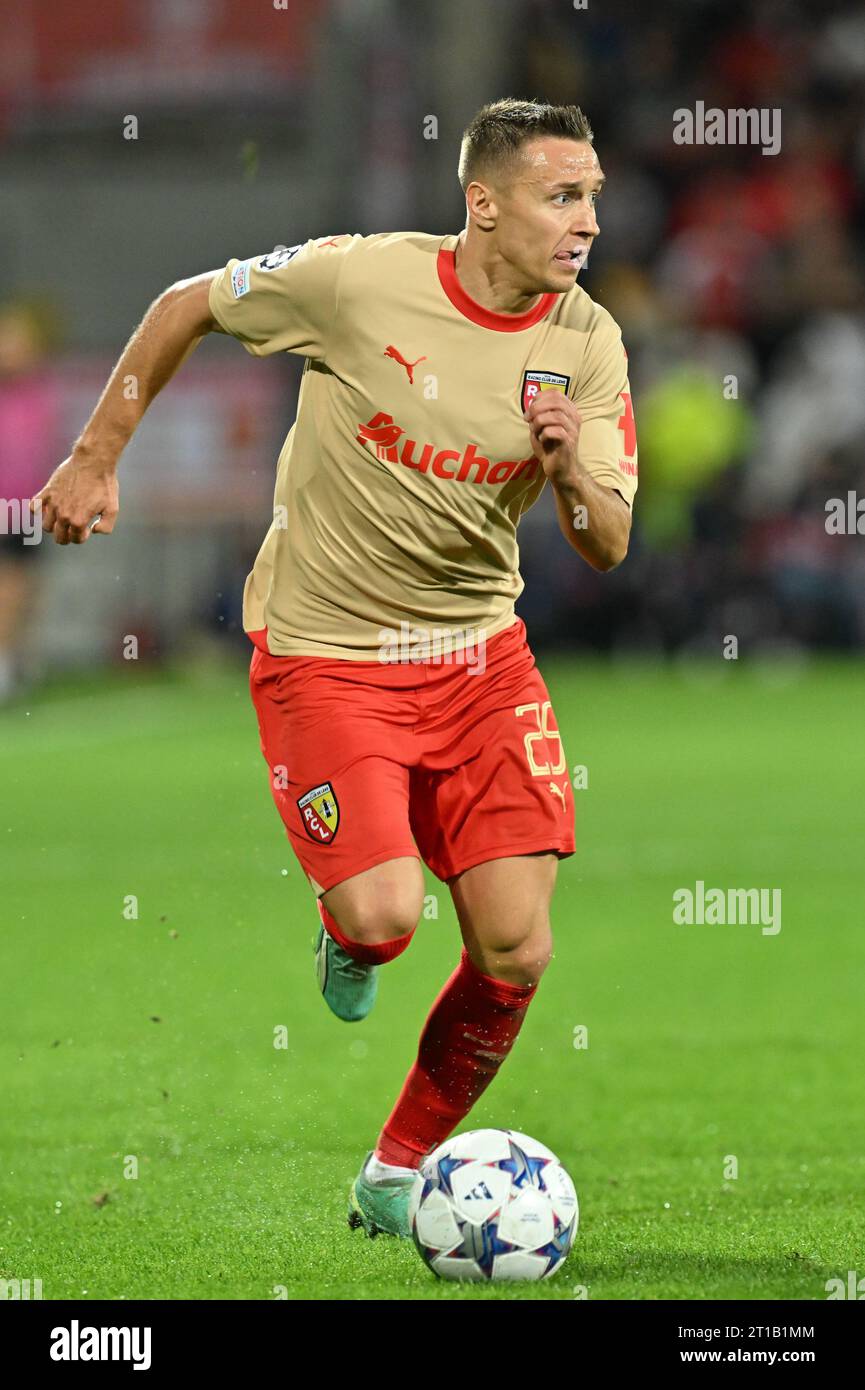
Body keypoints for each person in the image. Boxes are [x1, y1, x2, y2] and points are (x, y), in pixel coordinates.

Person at [30, 99, 638, 1239]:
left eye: (593, 196)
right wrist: (95, 455)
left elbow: (607, 542)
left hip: (480, 664)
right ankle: (349, 928)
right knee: (384, 917)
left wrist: (567, 469)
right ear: (485, 203)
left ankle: (395, 1171)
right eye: (564, 196)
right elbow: (185, 305)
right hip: (330, 657)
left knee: (516, 947)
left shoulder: (586, 341)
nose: (587, 221)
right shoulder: (358, 283)